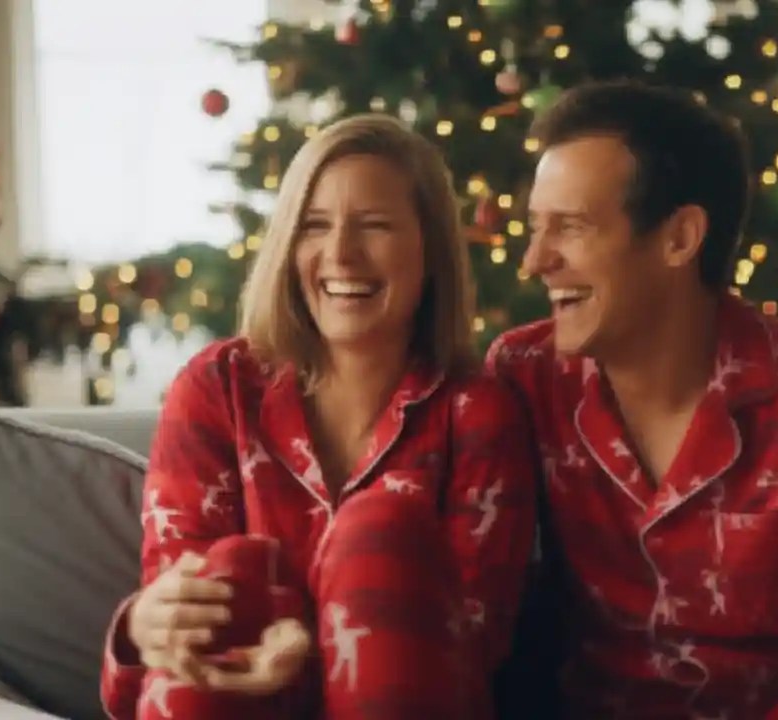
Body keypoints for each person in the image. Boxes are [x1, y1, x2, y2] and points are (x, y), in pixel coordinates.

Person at [486, 81, 778, 718]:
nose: (534, 261)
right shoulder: (524, 376)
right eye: (536, 228)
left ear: (679, 237)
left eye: (571, 228)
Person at [100, 114, 538, 720]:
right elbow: (181, 627)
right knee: (232, 573)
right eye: (314, 226)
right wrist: (144, 624)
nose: (341, 254)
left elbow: (472, 646)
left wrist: (306, 639)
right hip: (240, 697)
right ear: (288, 245)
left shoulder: (478, 413)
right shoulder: (217, 388)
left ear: (432, 251)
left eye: (376, 226)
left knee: (379, 526)